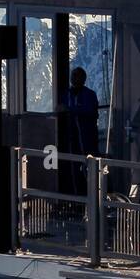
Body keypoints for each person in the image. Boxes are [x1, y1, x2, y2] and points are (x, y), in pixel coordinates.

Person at [62, 67, 101, 199]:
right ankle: (76, 198)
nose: (73, 78)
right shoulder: (67, 94)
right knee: (73, 169)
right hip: (72, 139)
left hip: (87, 139)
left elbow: (91, 112)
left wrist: (71, 110)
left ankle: (91, 197)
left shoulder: (90, 95)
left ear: (83, 79)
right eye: (72, 75)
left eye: (76, 76)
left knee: (89, 169)